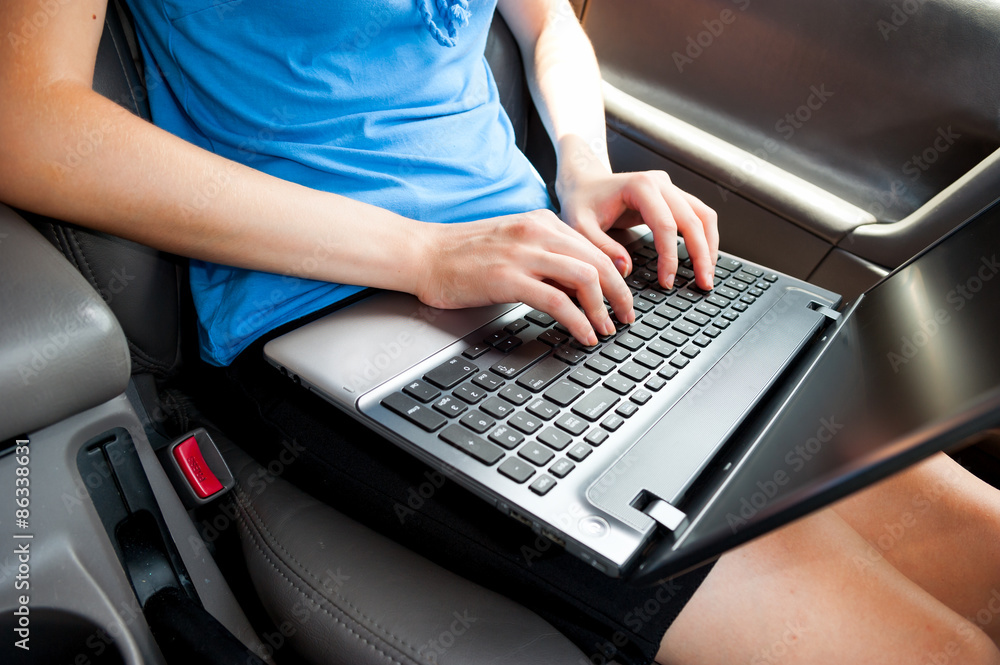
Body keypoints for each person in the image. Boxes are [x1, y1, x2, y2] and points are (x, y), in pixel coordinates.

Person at [2, 0, 999, 663]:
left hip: (543, 256)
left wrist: (582, 166)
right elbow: (25, 118)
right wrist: (423, 254)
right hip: (336, 303)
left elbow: (549, 21)